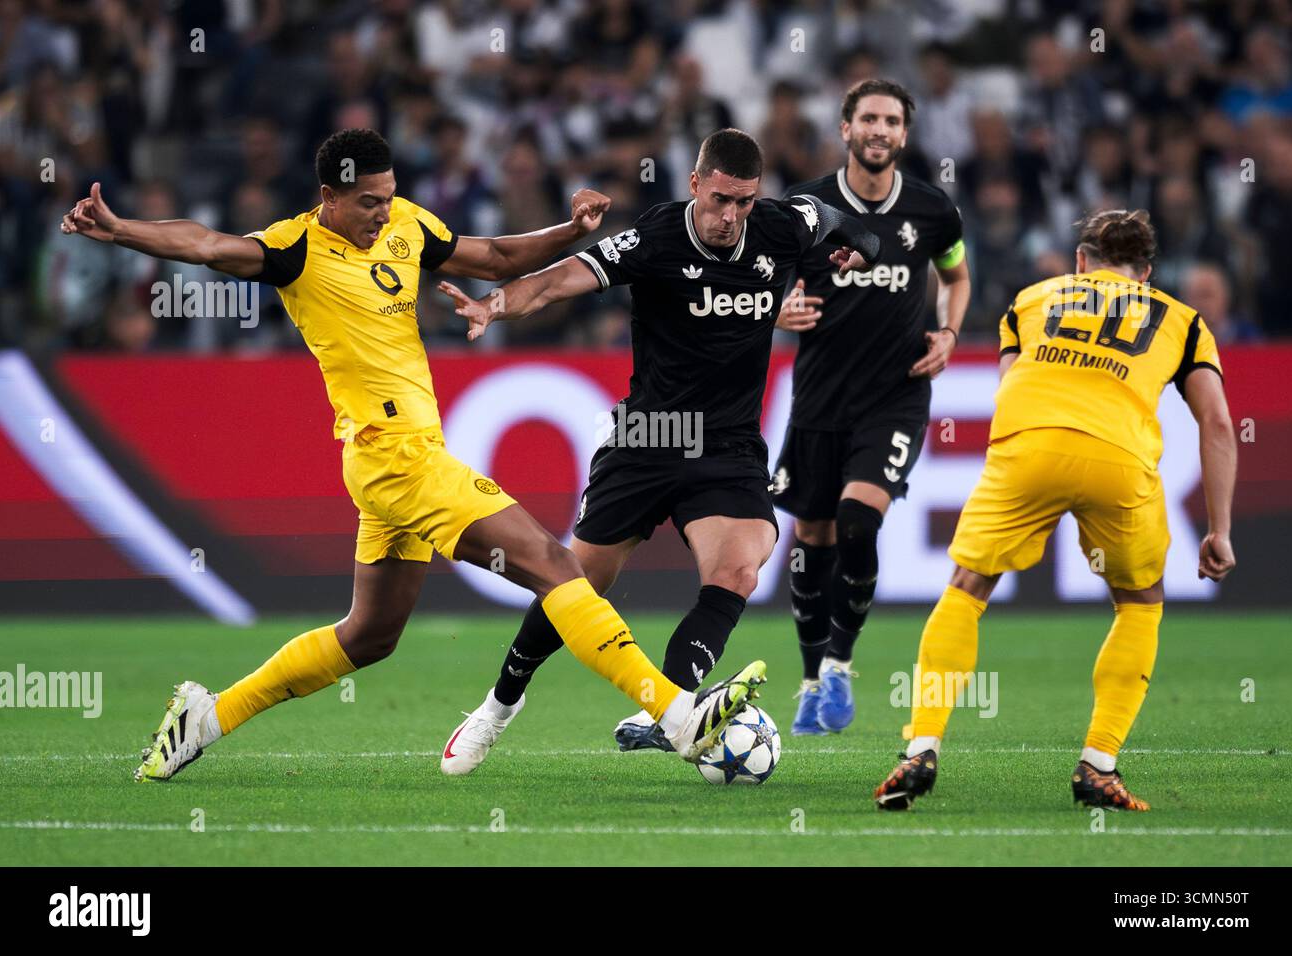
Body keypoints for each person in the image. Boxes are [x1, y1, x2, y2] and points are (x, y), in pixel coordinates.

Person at [59, 128, 767, 781]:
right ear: (328, 196)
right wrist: (122, 232)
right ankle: (677, 715)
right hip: (394, 459)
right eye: (368, 201)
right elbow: (207, 244)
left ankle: (208, 715)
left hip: (400, 460)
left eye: (390, 196)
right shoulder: (295, 248)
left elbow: (492, 257)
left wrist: (568, 231)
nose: (382, 212)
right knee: (556, 565)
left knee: (368, 636)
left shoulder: (405, 226)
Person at [436, 128, 883, 772]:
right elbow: (563, 280)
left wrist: (855, 250)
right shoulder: (656, 237)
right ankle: (499, 705)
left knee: (739, 569)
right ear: (696, 184)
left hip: (727, 442)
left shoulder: (781, 227)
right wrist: (494, 307)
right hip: (650, 437)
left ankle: (667, 711)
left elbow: (844, 219)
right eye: (721, 199)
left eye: (745, 202)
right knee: (577, 581)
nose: (732, 216)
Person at [873, 209, 1237, 812]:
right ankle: (1098, 764)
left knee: (966, 587)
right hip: (1117, 459)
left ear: (1079, 262)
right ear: (1146, 273)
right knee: (1140, 604)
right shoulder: (1184, 320)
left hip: (1028, 447)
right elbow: (1218, 423)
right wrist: (1219, 529)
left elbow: (1011, 386)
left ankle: (922, 746)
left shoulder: (1031, 299)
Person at [772, 79, 969, 735]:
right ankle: (808, 680)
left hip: (895, 396)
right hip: (819, 400)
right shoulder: (805, 208)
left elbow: (958, 274)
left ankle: (839, 664)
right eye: (869, 119)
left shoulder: (933, 210)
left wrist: (948, 331)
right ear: (846, 129)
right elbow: (757, 281)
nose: (880, 130)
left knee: (859, 519)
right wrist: (780, 309)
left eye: (891, 121)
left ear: (904, 135)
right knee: (811, 540)